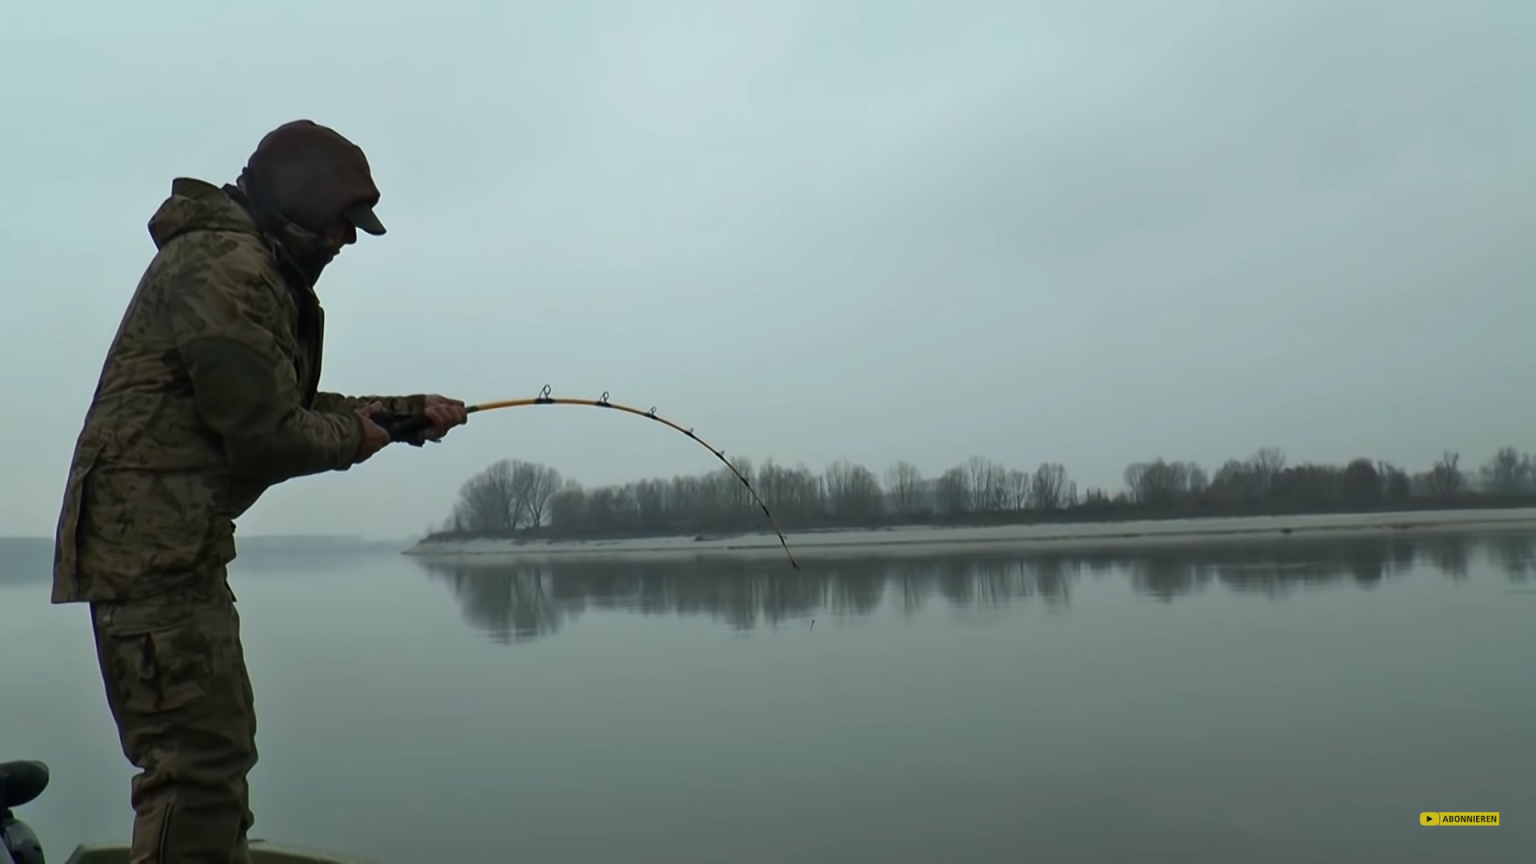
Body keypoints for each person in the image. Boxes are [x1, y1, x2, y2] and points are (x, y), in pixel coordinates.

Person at [50, 119, 469, 864]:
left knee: (215, 756)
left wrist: (402, 416)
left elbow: (280, 403)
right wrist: (359, 438)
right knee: (198, 772)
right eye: (345, 223)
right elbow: (265, 432)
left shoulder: (240, 265)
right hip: (152, 562)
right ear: (304, 203)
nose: (347, 241)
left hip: (173, 555)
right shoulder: (225, 271)